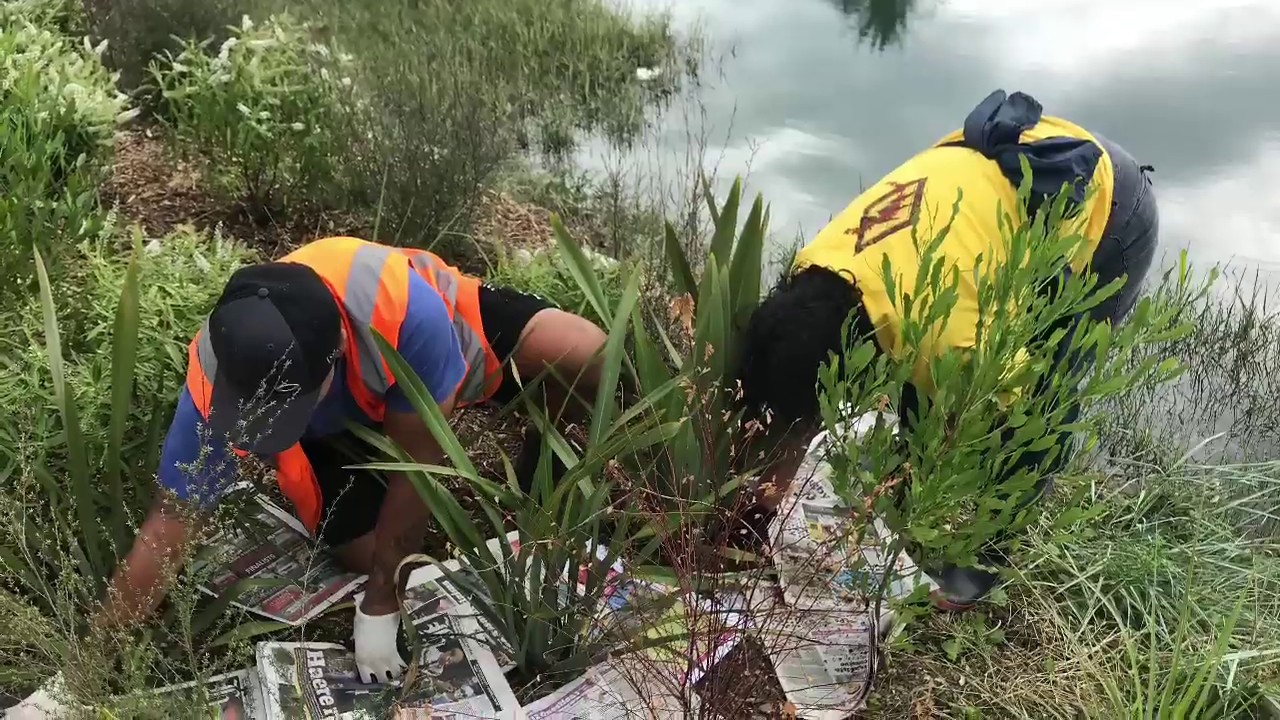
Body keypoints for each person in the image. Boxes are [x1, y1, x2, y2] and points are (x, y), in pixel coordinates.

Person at [8, 235, 606, 718]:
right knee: (363, 552)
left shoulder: (404, 310)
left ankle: (542, 463)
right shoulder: (217, 372)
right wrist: (71, 684)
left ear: (332, 365)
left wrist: (381, 603)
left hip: (429, 347)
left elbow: (422, 468)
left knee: (590, 356)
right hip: (333, 429)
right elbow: (168, 527)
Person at [737, 89, 1160, 609]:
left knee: (1047, 386)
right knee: (927, 387)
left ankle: (978, 577)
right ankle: (917, 517)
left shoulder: (952, 343)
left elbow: (1030, 421)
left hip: (1105, 205)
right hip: (998, 189)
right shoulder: (813, 269)